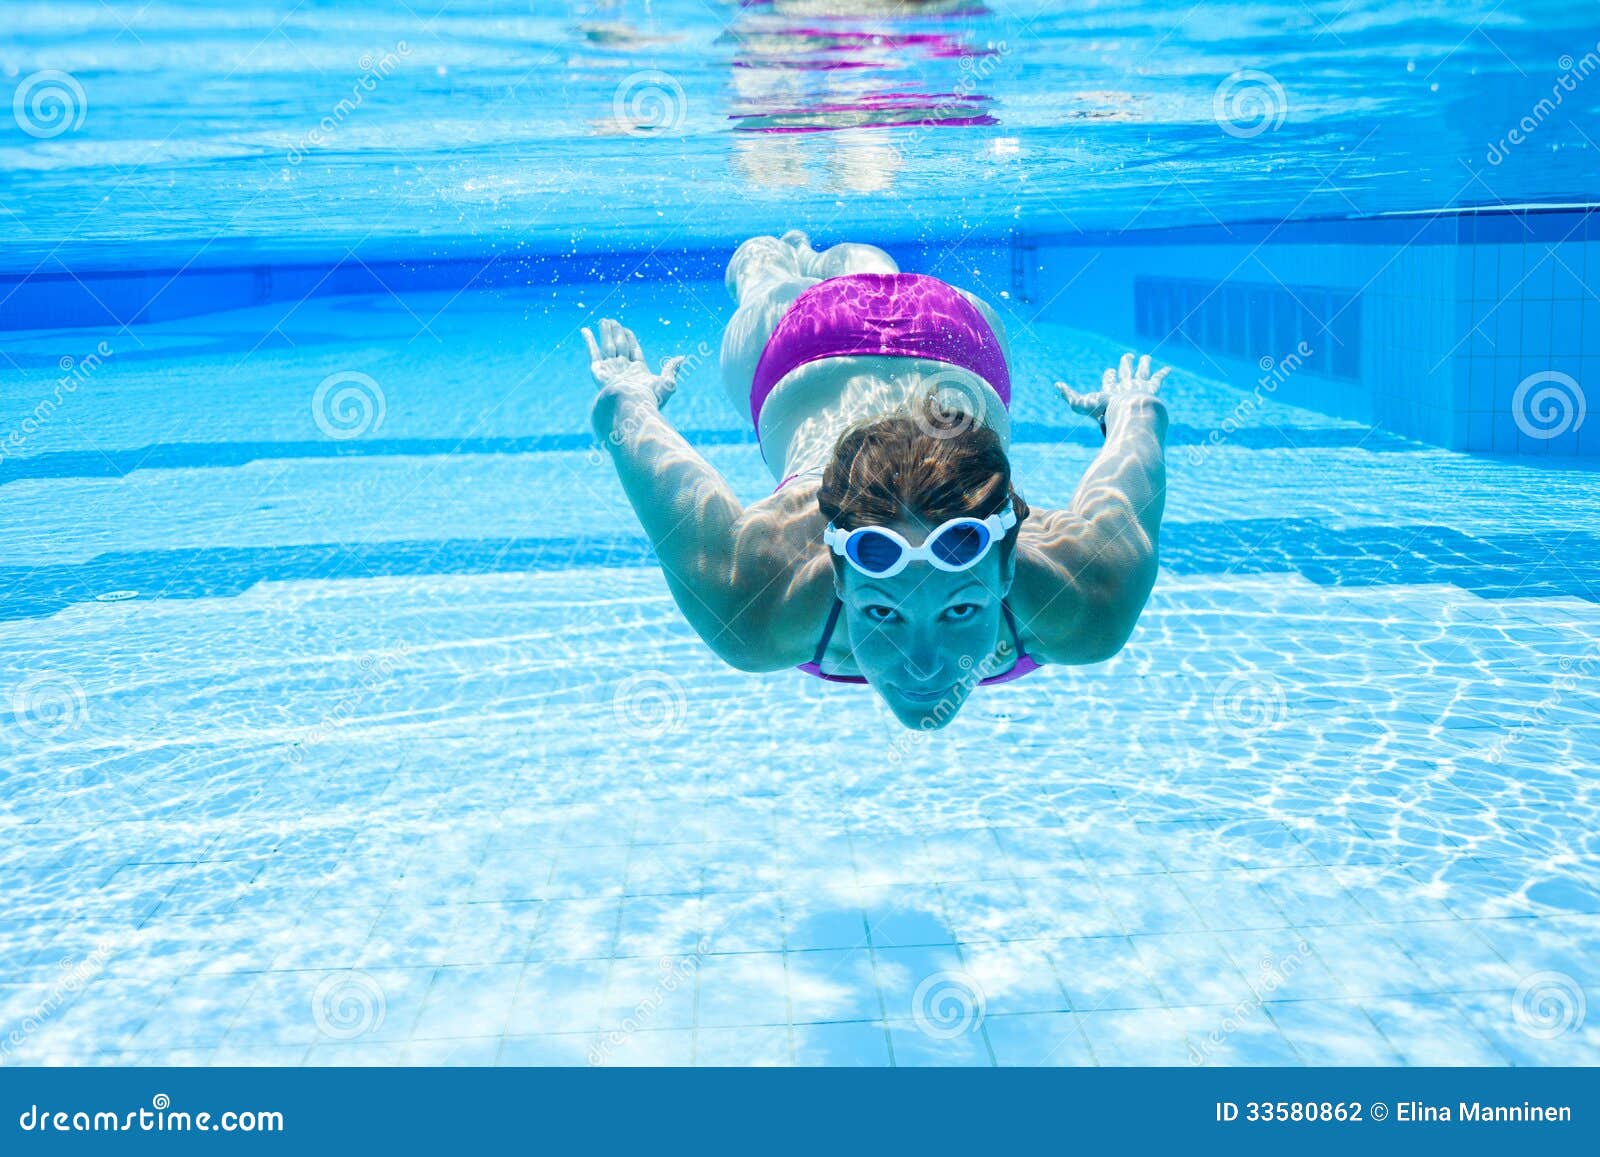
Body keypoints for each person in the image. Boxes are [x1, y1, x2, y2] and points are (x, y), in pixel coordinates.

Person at [584, 231, 1169, 730]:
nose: (922, 665)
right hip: (899, 337)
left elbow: (1141, 426)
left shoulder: (753, 609)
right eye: (883, 613)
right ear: (835, 572)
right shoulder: (1089, 605)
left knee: (779, 279)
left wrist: (629, 396)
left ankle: (780, 260)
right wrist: (628, 397)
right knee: (767, 280)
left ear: (1008, 565)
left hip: (916, 337)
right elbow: (1138, 431)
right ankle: (776, 261)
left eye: (963, 610)